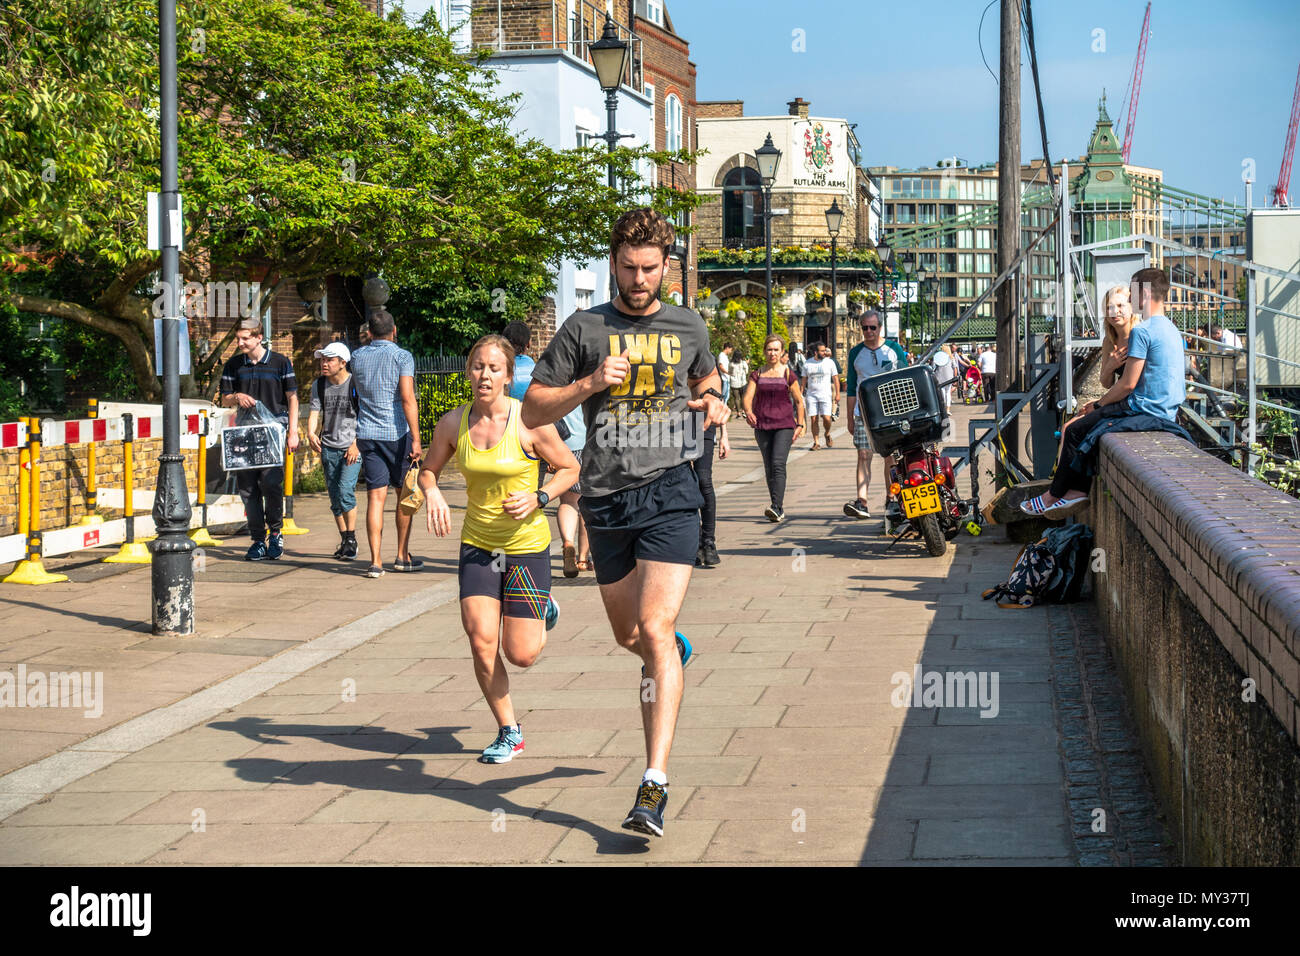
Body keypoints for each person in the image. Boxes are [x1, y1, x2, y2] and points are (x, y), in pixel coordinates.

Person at [522, 208, 729, 838]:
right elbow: (532, 406)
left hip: (671, 490)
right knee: (630, 638)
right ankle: (667, 653)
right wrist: (587, 383)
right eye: (629, 268)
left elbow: (708, 379)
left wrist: (715, 402)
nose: (640, 280)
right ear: (613, 262)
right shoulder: (584, 327)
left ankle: (653, 784)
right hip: (606, 498)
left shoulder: (688, 323)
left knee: (654, 624)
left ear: (666, 265)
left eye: (650, 269)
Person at [419, 335, 579, 763]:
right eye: (477, 366)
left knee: (521, 654)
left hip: (526, 547)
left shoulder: (528, 422)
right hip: (479, 545)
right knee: (480, 640)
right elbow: (428, 470)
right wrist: (431, 492)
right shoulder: (453, 424)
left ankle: (543, 609)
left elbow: (570, 468)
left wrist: (540, 498)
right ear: (468, 372)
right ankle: (509, 730)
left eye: (493, 368)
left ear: (509, 376)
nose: (483, 375)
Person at [1022, 268, 1186, 516]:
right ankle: (1074, 493)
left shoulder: (1142, 331)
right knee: (1087, 427)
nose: (1130, 298)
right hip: (1167, 410)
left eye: (1133, 292)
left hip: (1144, 408)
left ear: (1145, 294)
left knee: (1077, 429)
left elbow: (1128, 385)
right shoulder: (1172, 329)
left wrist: (1099, 405)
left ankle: (1053, 495)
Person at [504, 320, 591, 578]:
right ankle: (583, 557)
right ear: (529, 343)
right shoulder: (544, 372)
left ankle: (524, 550)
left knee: (526, 494)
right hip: (571, 440)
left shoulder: (511, 374)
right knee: (578, 499)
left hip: (517, 442)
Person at [350, 309, 422, 578]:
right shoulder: (402, 356)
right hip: (396, 433)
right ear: (394, 331)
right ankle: (402, 556)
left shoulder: (356, 357)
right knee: (404, 495)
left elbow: (357, 393)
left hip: (367, 433)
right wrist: (416, 438)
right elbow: (407, 398)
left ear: (369, 333)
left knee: (375, 498)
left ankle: (375, 561)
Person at [219, 317, 299, 561]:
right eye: (238, 338)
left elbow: (293, 398)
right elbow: (224, 399)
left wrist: (293, 432)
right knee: (248, 488)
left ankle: (275, 533)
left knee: (271, 483)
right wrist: (237, 396)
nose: (240, 343)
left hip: (273, 432)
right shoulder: (233, 365)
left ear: (258, 338)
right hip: (244, 434)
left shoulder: (280, 362)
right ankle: (257, 539)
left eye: (245, 338)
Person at [1055, 285, 1137, 463]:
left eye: (1120, 306)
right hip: (1117, 400)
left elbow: (1130, 385)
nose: (1115, 311)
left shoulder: (1137, 337)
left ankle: (1066, 486)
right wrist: (1110, 365)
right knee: (1067, 427)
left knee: (1072, 428)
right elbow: (1106, 382)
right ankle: (1061, 482)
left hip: (1131, 403)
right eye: (1109, 307)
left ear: (1132, 307)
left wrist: (1100, 404)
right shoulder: (1110, 341)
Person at [843, 311, 905, 519]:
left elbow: (904, 379)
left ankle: (891, 498)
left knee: (890, 457)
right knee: (863, 454)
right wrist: (849, 417)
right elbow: (852, 387)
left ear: (880, 328)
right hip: (864, 412)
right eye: (864, 328)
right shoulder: (855, 353)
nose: (868, 332)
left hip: (890, 410)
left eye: (872, 327)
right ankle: (862, 502)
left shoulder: (894, 349)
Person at [306, 341, 361, 560]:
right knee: (335, 498)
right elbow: (313, 412)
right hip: (328, 447)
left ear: (342, 362)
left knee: (346, 491)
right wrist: (311, 433)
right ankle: (345, 539)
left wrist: (357, 443)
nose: (324, 364)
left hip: (352, 448)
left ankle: (352, 539)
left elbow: (365, 416)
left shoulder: (355, 384)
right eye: (322, 359)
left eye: (329, 360)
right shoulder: (319, 385)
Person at [743, 335, 806, 522]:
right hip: (762, 425)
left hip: (784, 425)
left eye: (776, 350)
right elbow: (747, 397)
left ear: (782, 352)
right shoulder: (758, 374)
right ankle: (775, 504)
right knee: (769, 466)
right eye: (769, 349)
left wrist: (800, 424)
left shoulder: (788, 374)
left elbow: (799, 402)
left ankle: (777, 507)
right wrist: (748, 411)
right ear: (765, 351)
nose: (772, 353)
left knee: (778, 463)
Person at [692, 414, 730, 568]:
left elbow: (718, 400)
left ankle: (708, 543)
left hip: (703, 422)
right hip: (674, 424)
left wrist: (724, 435)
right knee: (684, 483)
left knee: (703, 479)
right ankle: (695, 541)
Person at [802, 342, 839, 449]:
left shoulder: (830, 363)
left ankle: (827, 433)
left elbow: (836, 378)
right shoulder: (808, 363)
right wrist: (800, 394)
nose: (825, 352)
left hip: (826, 395)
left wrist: (837, 394)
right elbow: (804, 380)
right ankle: (816, 442)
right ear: (815, 352)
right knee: (814, 419)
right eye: (822, 351)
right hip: (811, 395)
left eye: (825, 350)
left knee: (827, 418)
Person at [931, 343, 957, 414]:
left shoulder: (937, 357)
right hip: (949, 377)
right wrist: (955, 377)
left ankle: (943, 409)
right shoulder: (951, 357)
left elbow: (933, 367)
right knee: (948, 393)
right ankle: (948, 409)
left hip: (939, 377)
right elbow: (955, 368)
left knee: (942, 393)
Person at [728, 347, 749, 413]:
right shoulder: (743, 363)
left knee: (736, 398)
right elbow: (746, 371)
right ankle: (743, 410)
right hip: (742, 382)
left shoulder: (731, 364)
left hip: (734, 383)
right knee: (743, 397)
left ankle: (738, 412)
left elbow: (729, 372)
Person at [716, 344, 734, 412]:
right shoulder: (721, 355)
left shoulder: (725, 356)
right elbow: (721, 366)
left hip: (727, 378)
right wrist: (728, 373)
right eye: (730, 349)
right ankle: (720, 410)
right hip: (724, 378)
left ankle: (723, 409)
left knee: (726, 396)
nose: (730, 351)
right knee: (723, 396)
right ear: (727, 348)